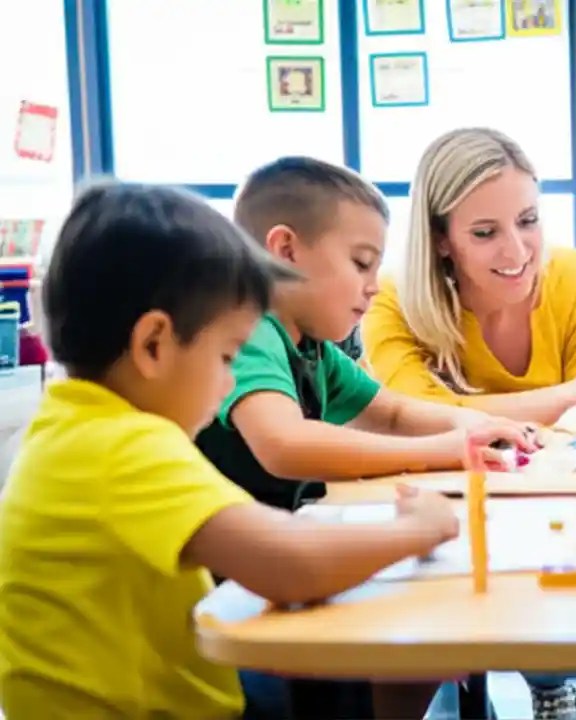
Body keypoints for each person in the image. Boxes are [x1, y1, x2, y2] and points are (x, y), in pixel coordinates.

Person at [0, 181, 463, 719]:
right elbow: (289, 564)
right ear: (154, 345)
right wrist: (419, 529)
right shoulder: (124, 446)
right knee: (375, 655)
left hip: (159, 692)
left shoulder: (70, 429)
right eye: (226, 356)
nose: (228, 384)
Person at [196, 156, 536, 513]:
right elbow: (285, 444)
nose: (374, 287)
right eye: (360, 263)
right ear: (286, 250)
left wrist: (474, 425)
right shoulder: (247, 331)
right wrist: (445, 450)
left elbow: (393, 415)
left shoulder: (313, 349)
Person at [361, 127, 576, 427]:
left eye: (527, 221)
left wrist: (453, 411)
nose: (516, 252)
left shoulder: (574, 277)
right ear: (440, 238)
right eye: (485, 233)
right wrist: (570, 398)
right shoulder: (393, 299)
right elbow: (410, 419)